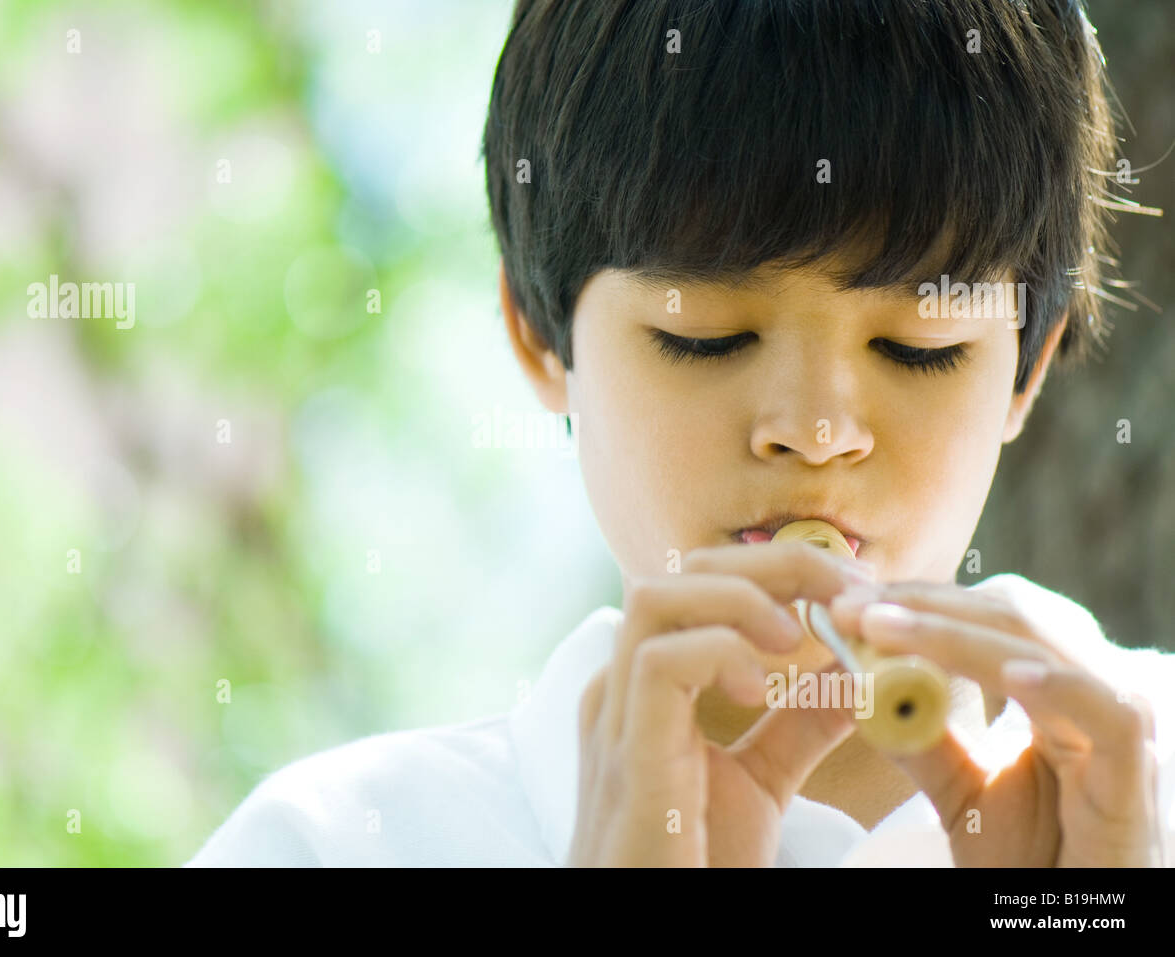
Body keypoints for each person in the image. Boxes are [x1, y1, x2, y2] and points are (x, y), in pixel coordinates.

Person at [186, 0, 1174, 866]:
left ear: (1027, 365)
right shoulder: (335, 844)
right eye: (704, 336)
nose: (816, 431)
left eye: (920, 348)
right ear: (540, 336)